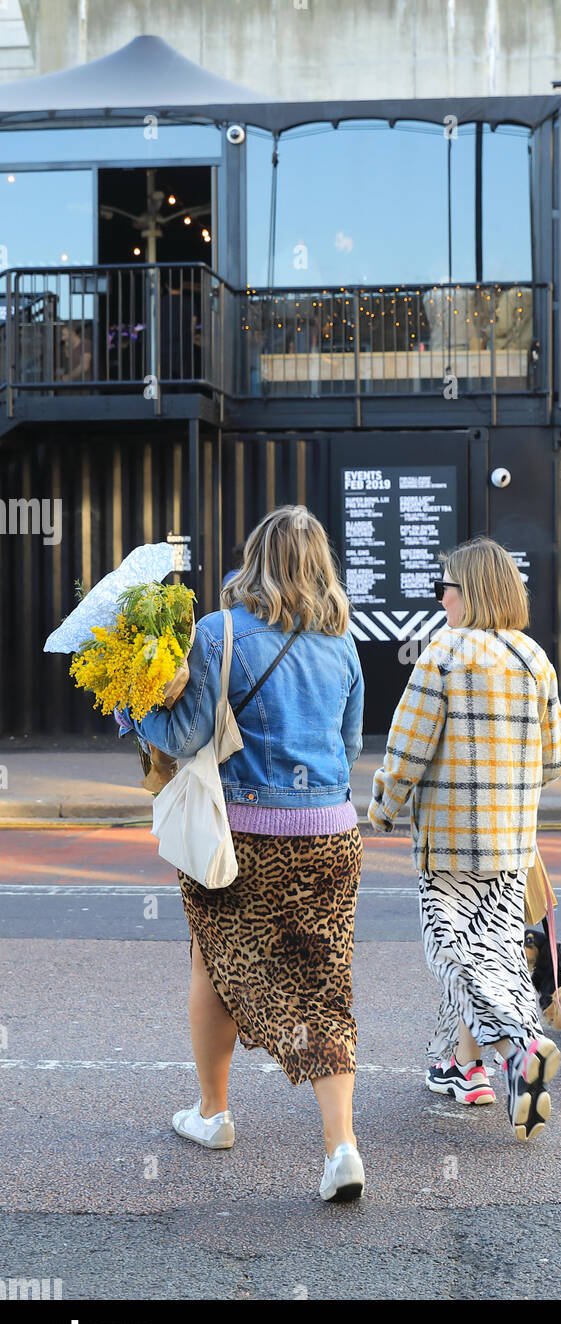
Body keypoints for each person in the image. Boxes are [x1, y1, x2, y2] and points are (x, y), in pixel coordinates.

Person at [117, 505, 366, 1201]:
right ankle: (340, 1148)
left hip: (245, 837)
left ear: (255, 560)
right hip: (332, 835)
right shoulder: (342, 642)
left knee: (215, 961)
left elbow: (188, 734)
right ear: (321, 566)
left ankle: (213, 1112)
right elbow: (347, 750)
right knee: (326, 984)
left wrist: (133, 704)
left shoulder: (217, 632)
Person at [368, 538, 561, 1140]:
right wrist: (509, 777)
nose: (441, 599)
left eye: (445, 588)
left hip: (451, 842)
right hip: (512, 843)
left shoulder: (445, 653)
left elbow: (407, 747)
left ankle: (515, 1049)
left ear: (471, 593)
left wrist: (384, 806)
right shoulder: (533, 656)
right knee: (497, 954)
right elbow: (557, 753)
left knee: (452, 952)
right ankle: (467, 1069)